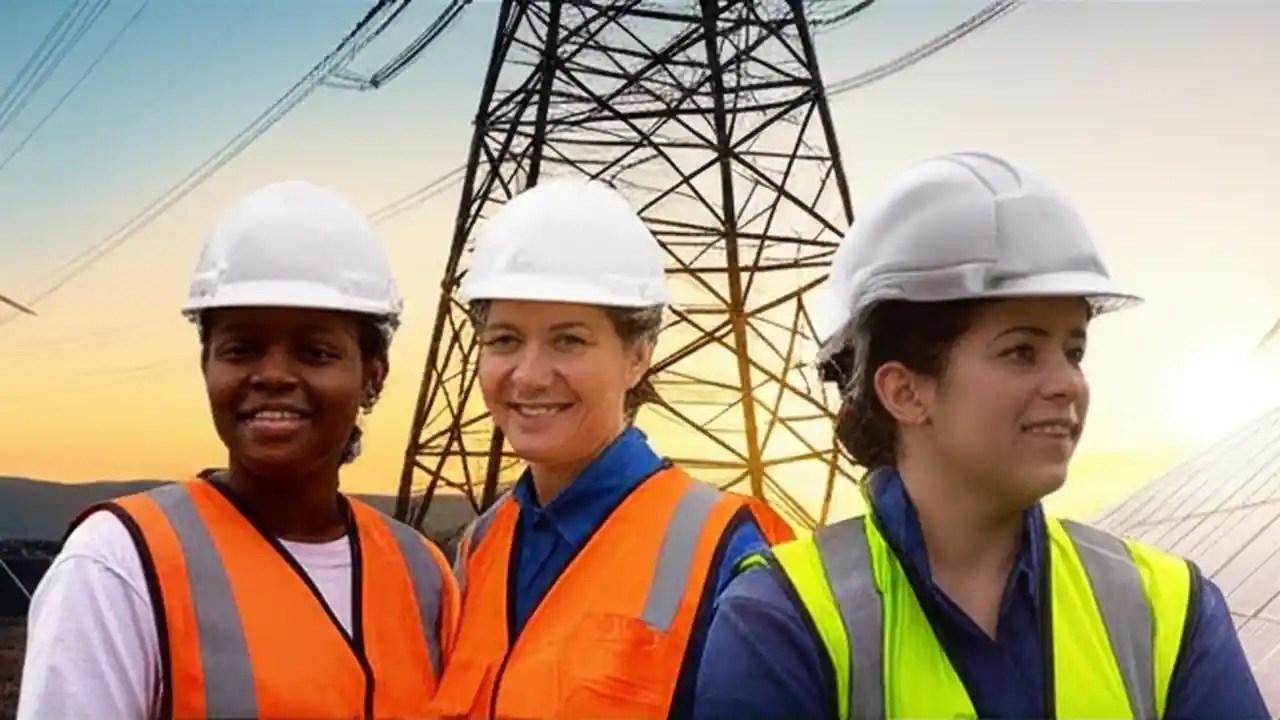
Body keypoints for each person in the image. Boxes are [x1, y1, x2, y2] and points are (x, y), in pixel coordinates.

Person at [692, 151, 1270, 719]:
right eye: (1021, 351)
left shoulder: (1168, 606)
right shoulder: (782, 622)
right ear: (904, 392)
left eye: (1073, 351)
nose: (1068, 383)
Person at [18, 180, 460, 720]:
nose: (273, 375)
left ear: (373, 376)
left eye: (316, 352)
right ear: (207, 365)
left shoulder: (422, 573)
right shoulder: (120, 561)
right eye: (241, 349)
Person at [427, 177, 796, 720]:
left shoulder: (729, 550)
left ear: (638, 356)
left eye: (568, 340)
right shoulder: (480, 548)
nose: (528, 376)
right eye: (504, 340)